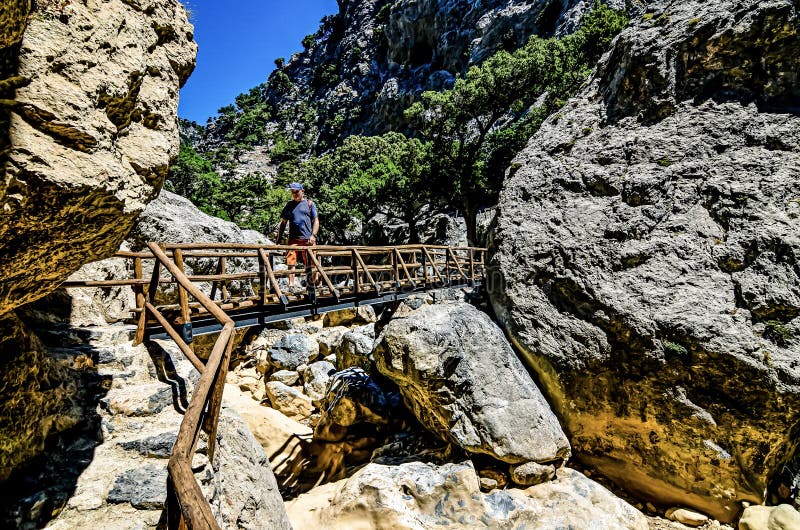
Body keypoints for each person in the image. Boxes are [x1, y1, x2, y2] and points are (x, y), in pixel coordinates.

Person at [276, 182, 319, 291]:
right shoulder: (289, 205)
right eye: (292, 192)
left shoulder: (309, 204)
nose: (294, 194)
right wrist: (279, 239)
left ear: (302, 191)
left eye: (296, 191)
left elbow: (316, 221)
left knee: (311, 263)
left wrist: (313, 235)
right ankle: (291, 286)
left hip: (308, 239)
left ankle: (311, 285)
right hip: (293, 239)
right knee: (291, 262)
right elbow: (283, 223)